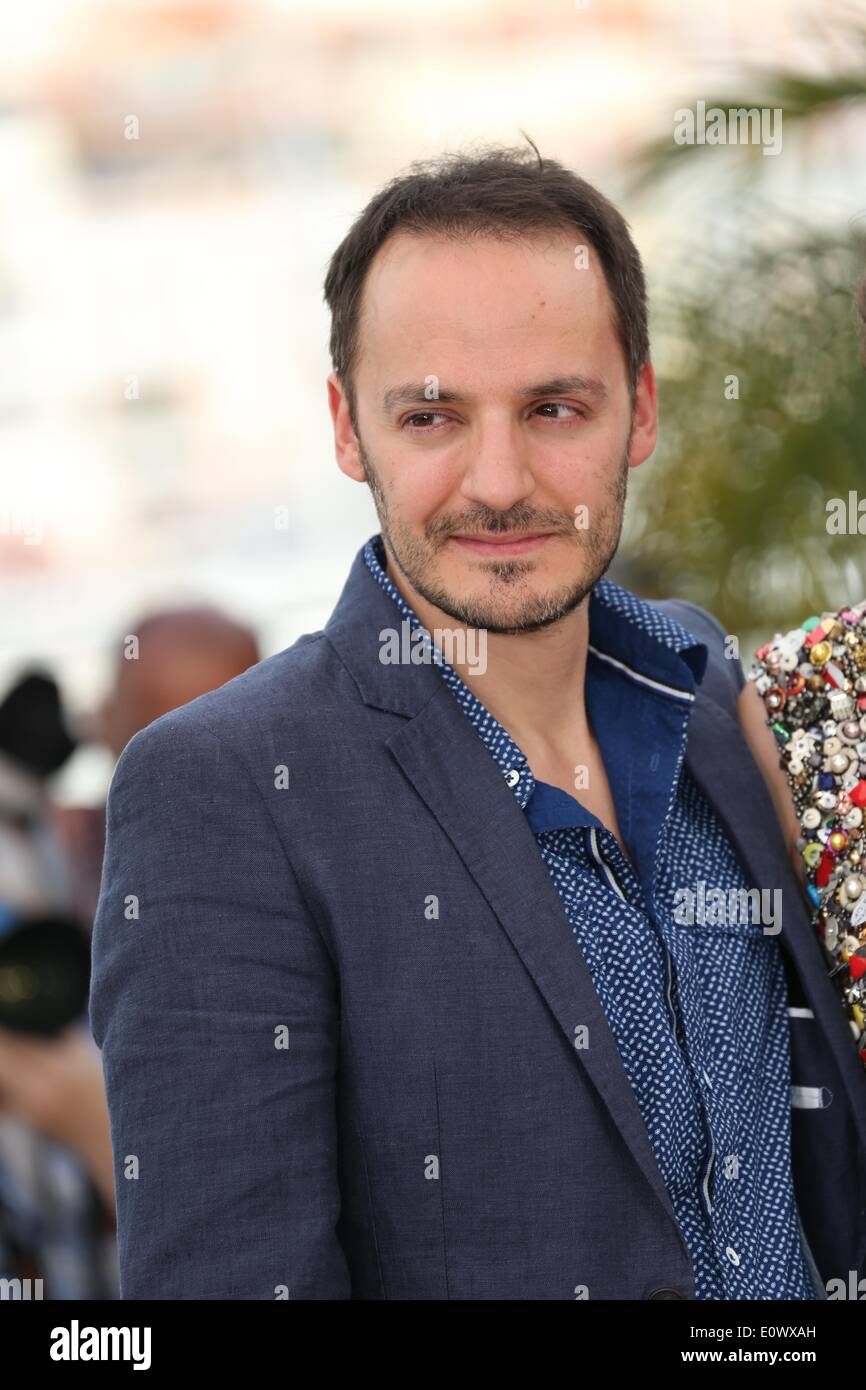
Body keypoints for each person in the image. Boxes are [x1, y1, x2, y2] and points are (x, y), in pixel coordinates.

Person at [89, 143, 866, 1301]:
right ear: (348, 428)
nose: (498, 482)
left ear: (639, 408)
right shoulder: (222, 791)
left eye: (553, 407)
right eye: (433, 417)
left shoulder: (733, 712)